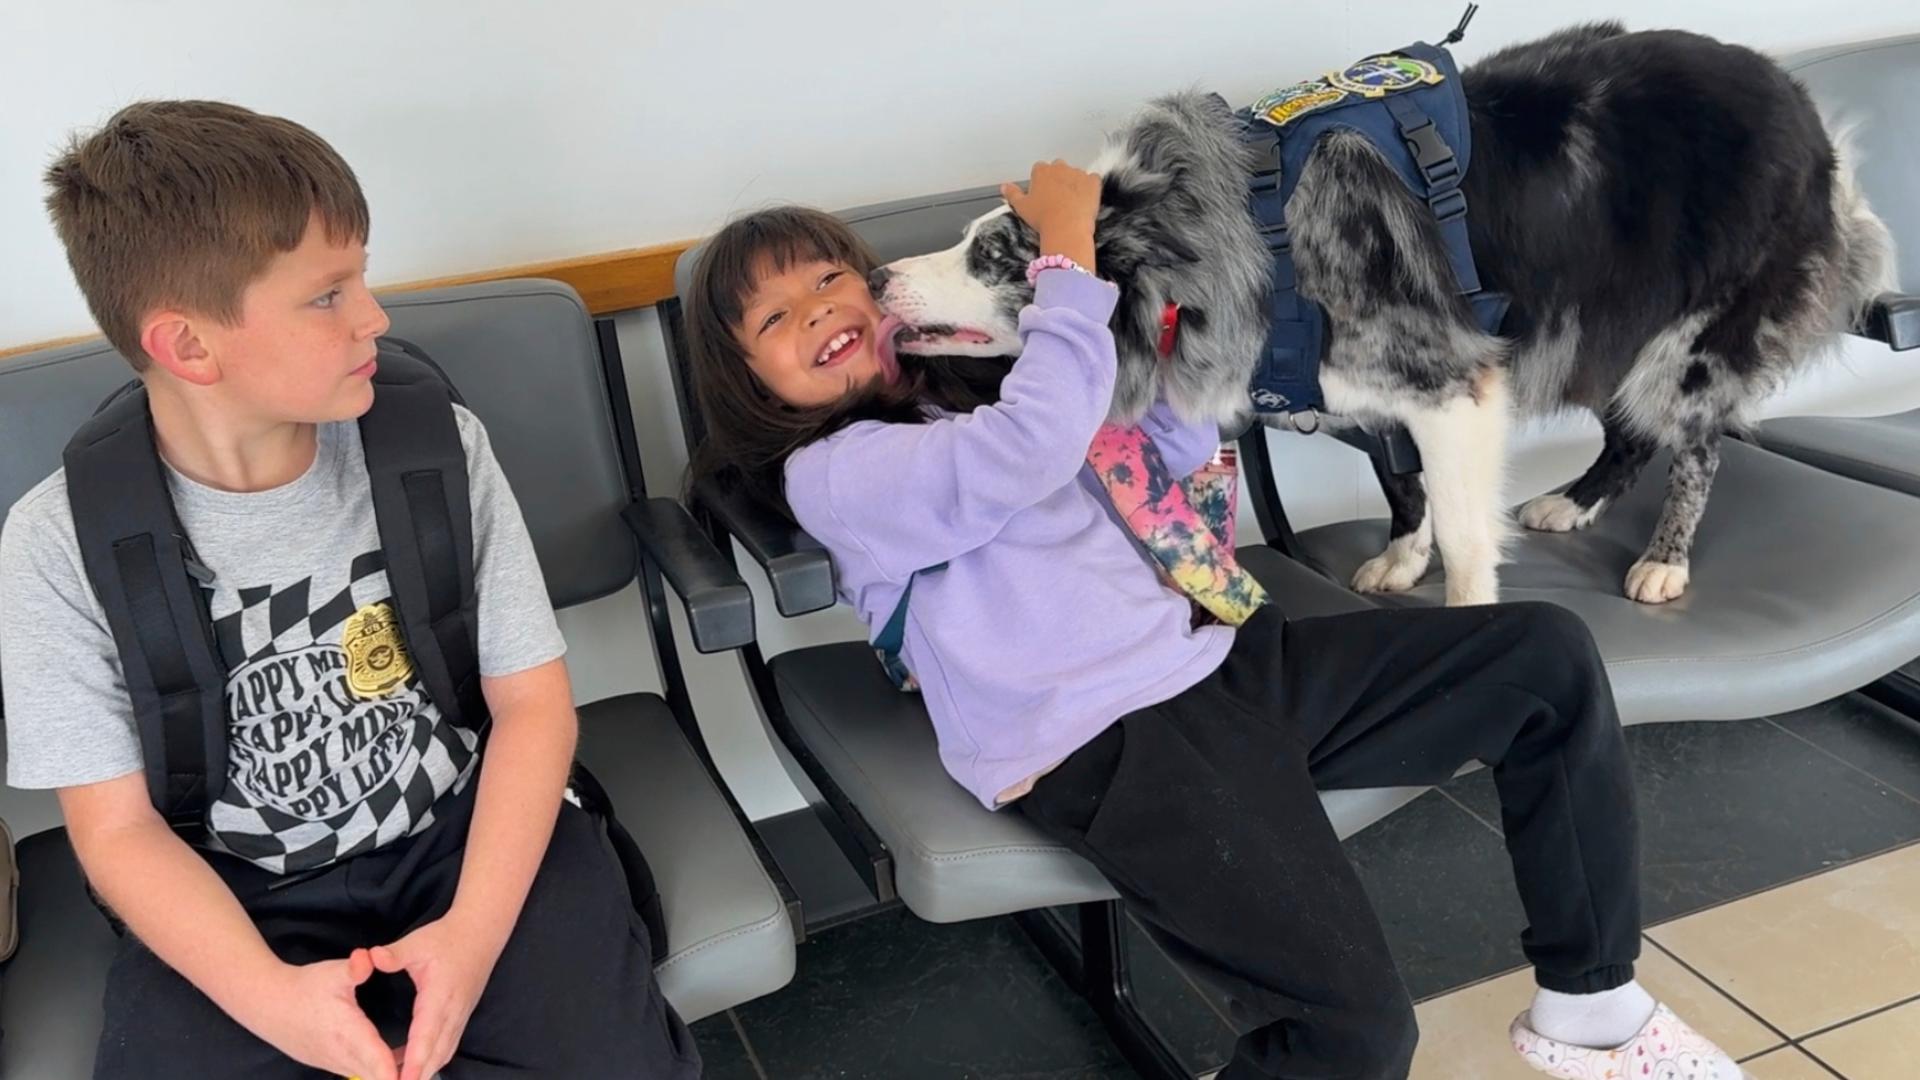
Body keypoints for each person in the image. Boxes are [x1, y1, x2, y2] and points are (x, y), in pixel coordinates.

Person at [680, 161, 1747, 1079]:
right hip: (1107, 742)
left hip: (1221, 665)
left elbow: (1159, 467)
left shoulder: (979, 388)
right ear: (747, 382)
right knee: (1354, 1032)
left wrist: (1162, 363)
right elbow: (1025, 451)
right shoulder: (838, 475)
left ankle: (1593, 1010)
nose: (816, 309)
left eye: (829, 279)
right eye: (774, 317)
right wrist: (1065, 257)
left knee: (1543, 660)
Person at [0, 100, 697, 1080]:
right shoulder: (54, 544)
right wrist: (275, 1003)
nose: (375, 316)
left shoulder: (435, 449)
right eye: (328, 296)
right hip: (235, 891)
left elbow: (532, 706)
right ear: (189, 347)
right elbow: (117, 832)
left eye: (361, 276)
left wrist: (471, 943)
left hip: (460, 835)